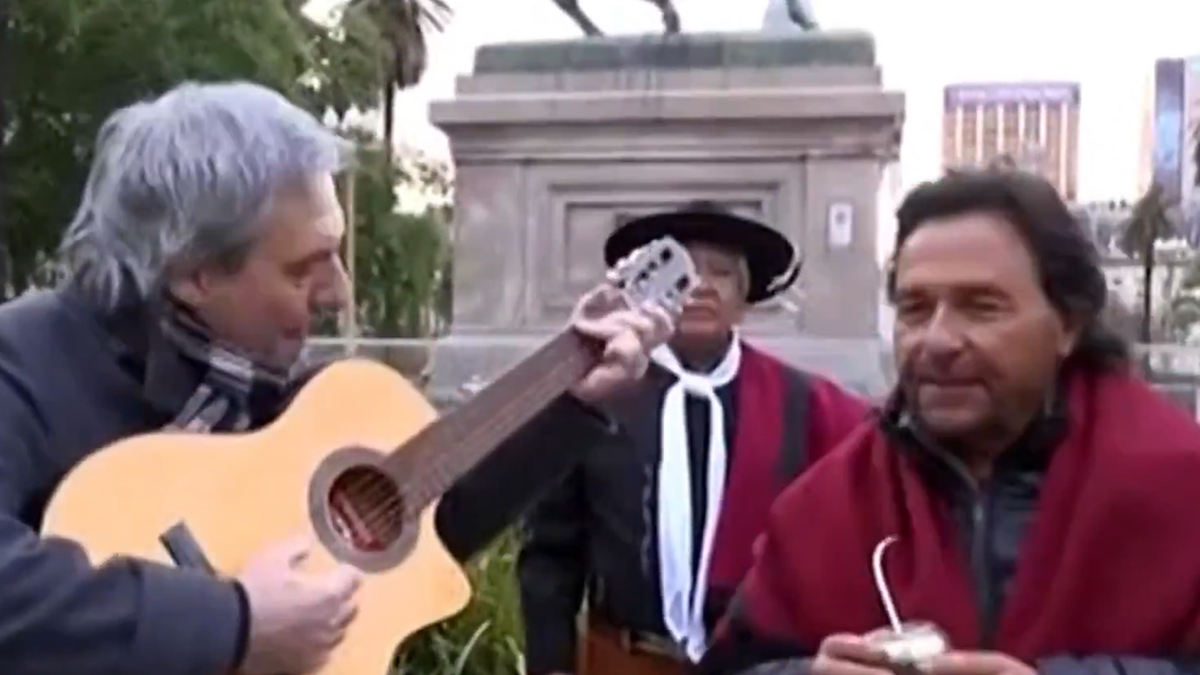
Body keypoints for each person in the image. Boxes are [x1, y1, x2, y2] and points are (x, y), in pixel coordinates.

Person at [0, 81, 674, 675]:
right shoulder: (20, 365)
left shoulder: (266, 388)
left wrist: (568, 402)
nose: (340, 292)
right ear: (194, 273)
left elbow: (407, 538)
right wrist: (234, 623)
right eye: (305, 267)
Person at [699, 169, 1200, 675]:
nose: (937, 341)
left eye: (981, 308)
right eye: (915, 309)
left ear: (1067, 323)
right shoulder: (829, 502)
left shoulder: (1180, 482)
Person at [517, 201, 870, 675]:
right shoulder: (598, 395)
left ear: (745, 300)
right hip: (625, 660)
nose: (701, 285)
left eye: (722, 273)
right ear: (645, 292)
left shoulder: (805, 405)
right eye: (681, 271)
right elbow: (551, 555)